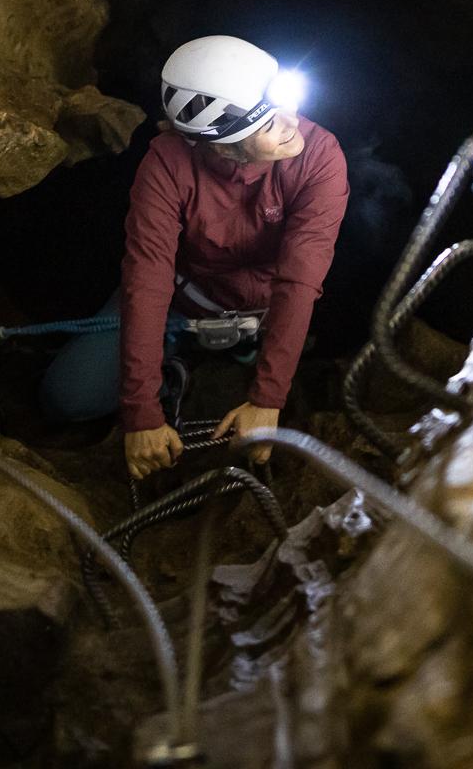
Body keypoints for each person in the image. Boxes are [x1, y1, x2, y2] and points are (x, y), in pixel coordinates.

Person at [39, 35, 350, 480]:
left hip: (264, 312)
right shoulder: (168, 163)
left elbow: (299, 280)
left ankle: (239, 352)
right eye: (268, 124)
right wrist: (141, 412)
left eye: (288, 104)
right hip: (180, 304)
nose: (292, 123)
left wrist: (267, 398)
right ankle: (171, 367)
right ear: (223, 146)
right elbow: (148, 277)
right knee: (66, 398)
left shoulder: (319, 156)